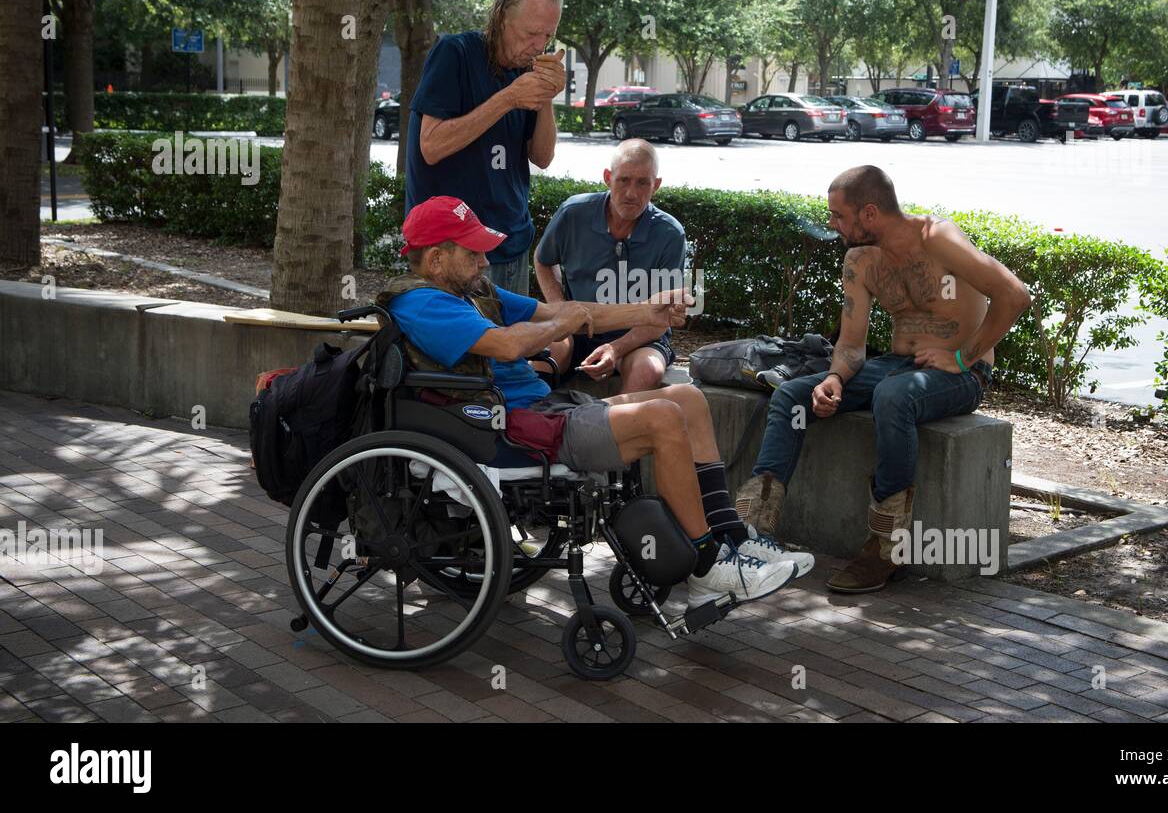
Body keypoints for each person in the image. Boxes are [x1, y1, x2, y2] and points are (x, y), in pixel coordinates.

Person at [382, 196, 814, 608]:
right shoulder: (423, 303)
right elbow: (508, 346)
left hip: (545, 411)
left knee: (688, 398)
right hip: (511, 429)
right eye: (473, 251)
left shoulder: (472, 291)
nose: (484, 260)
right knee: (663, 416)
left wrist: (646, 312)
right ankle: (705, 572)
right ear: (436, 259)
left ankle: (730, 538)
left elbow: (568, 309)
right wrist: (561, 324)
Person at [734, 165, 1032, 594]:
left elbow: (1015, 295)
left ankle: (885, 546)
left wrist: (963, 358)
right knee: (792, 397)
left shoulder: (939, 238)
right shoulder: (860, 260)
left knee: (893, 397)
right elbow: (853, 345)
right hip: (894, 365)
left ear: (869, 214)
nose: (832, 224)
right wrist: (835, 378)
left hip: (959, 375)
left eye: (839, 216)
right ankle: (753, 530)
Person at [405, 0, 565, 295]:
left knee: (515, 343)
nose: (539, 45)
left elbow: (542, 157)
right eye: (531, 33)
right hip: (449, 254)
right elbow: (432, 145)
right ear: (502, 17)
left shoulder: (527, 69)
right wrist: (508, 99)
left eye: (548, 35)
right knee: (459, 345)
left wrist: (546, 93)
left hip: (511, 243)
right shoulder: (455, 54)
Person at [534, 139, 686, 393]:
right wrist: (560, 309)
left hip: (640, 338)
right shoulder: (573, 213)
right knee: (547, 352)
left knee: (648, 370)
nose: (631, 193)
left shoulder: (670, 234)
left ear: (656, 185)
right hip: (579, 328)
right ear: (608, 177)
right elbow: (543, 260)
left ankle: (619, 429)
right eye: (623, 180)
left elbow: (663, 316)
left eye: (642, 183)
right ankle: (533, 423)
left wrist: (616, 348)